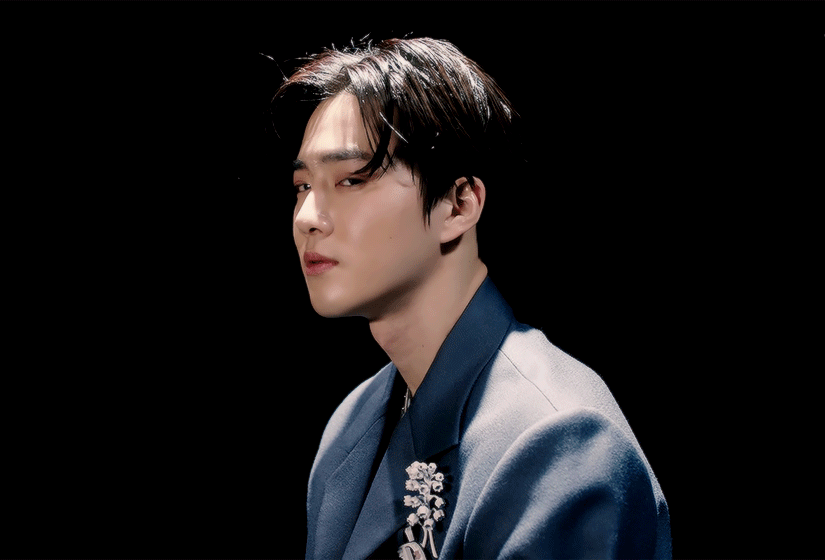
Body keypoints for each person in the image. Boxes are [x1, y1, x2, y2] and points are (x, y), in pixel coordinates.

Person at [271, 37, 671, 559]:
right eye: (302, 186)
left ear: (459, 204)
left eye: (351, 180)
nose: (307, 218)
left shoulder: (557, 442)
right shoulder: (355, 419)